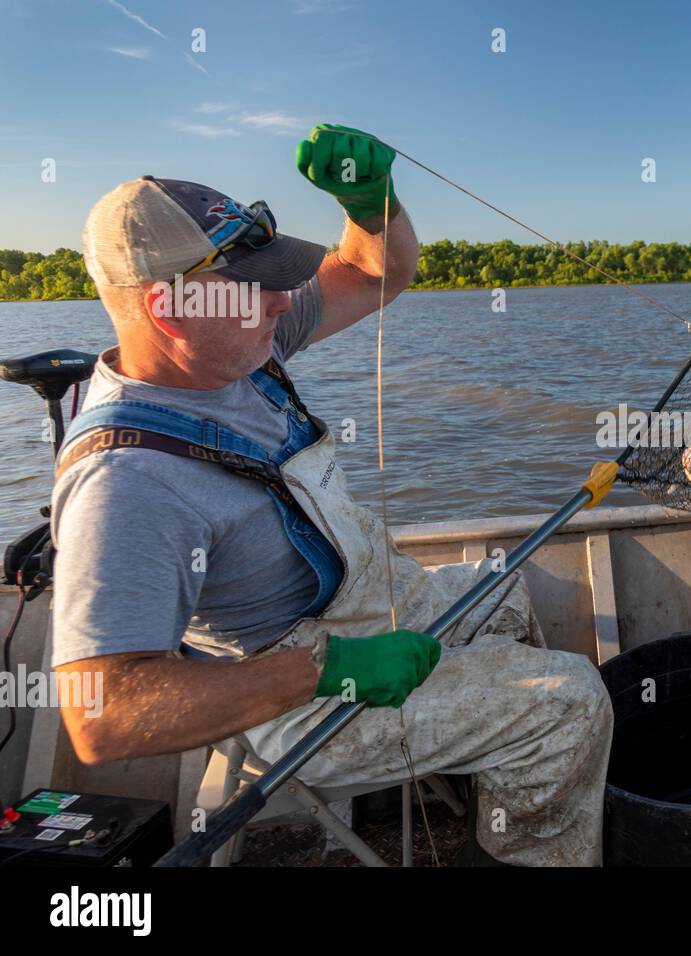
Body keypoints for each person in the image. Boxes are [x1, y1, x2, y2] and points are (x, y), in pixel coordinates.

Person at [49, 124, 613, 866]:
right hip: (299, 690)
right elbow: (103, 715)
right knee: (571, 701)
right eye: (257, 288)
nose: (285, 302)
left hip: (367, 608)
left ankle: (505, 789)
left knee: (507, 593)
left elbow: (371, 270)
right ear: (168, 309)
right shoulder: (123, 482)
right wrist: (325, 670)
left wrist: (371, 206)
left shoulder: (241, 350)